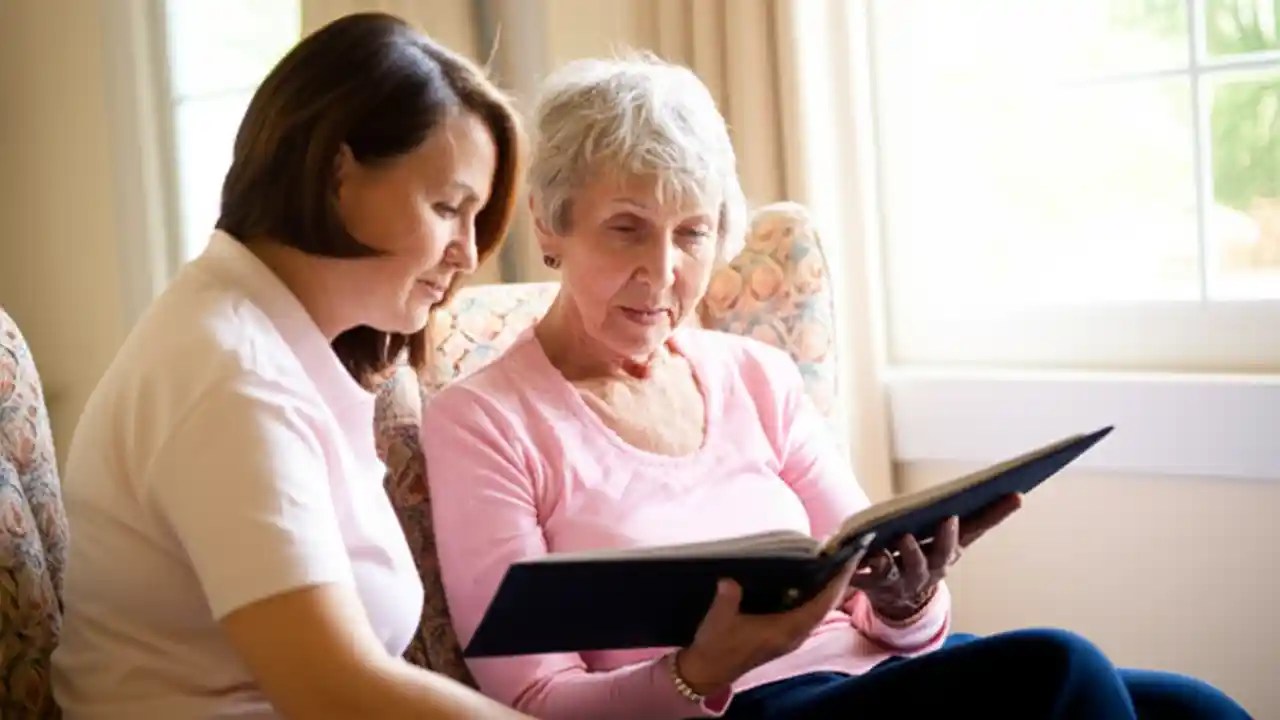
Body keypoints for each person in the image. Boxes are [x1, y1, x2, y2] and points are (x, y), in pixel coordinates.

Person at [420, 54, 1253, 720]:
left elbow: (893, 615)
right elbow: (529, 700)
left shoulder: (755, 374)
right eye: (626, 228)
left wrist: (908, 599)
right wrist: (703, 668)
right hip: (741, 709)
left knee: (1197, 709)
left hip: (871, 681)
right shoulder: (484, 420)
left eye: (693, 233)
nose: (663, 272)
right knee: (1061, 666)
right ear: (550, 226)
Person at [51, 13, 531, 720]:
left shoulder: (283, 352)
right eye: (447, 207)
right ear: (338, 172)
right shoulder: (228, 373)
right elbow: (332, 690)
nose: (467, 252)